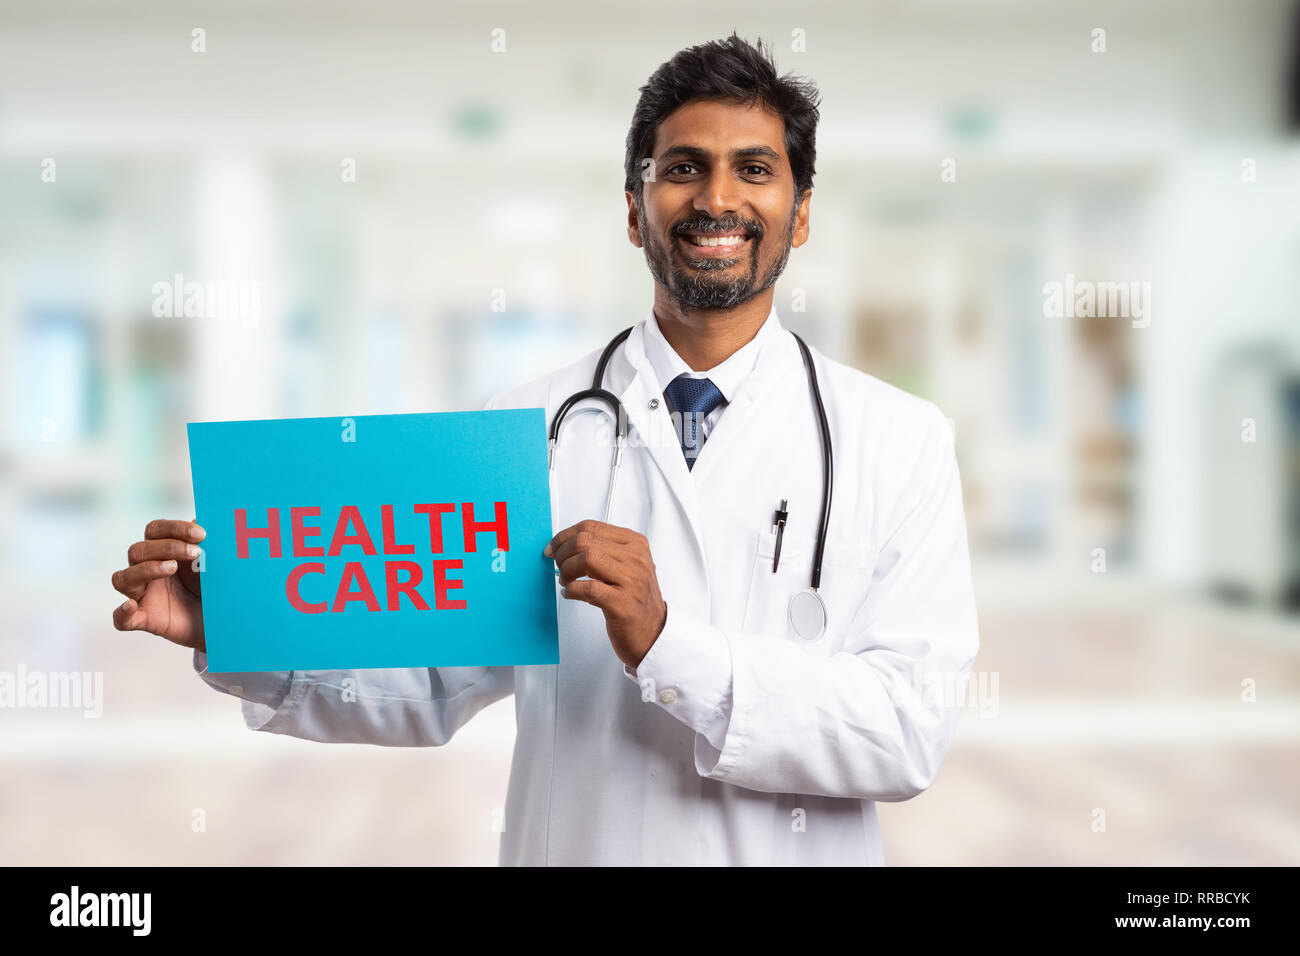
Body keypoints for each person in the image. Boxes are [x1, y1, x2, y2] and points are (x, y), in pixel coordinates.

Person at [110, 33, 979, 865]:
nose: (718, 199)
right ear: (636, 214)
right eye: (682, 169)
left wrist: (670, 644)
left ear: (802, 213)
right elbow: (431, 682)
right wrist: (238, 629)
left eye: (755, 169)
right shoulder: (523, 425)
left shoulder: (897, 440)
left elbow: (905, 732)